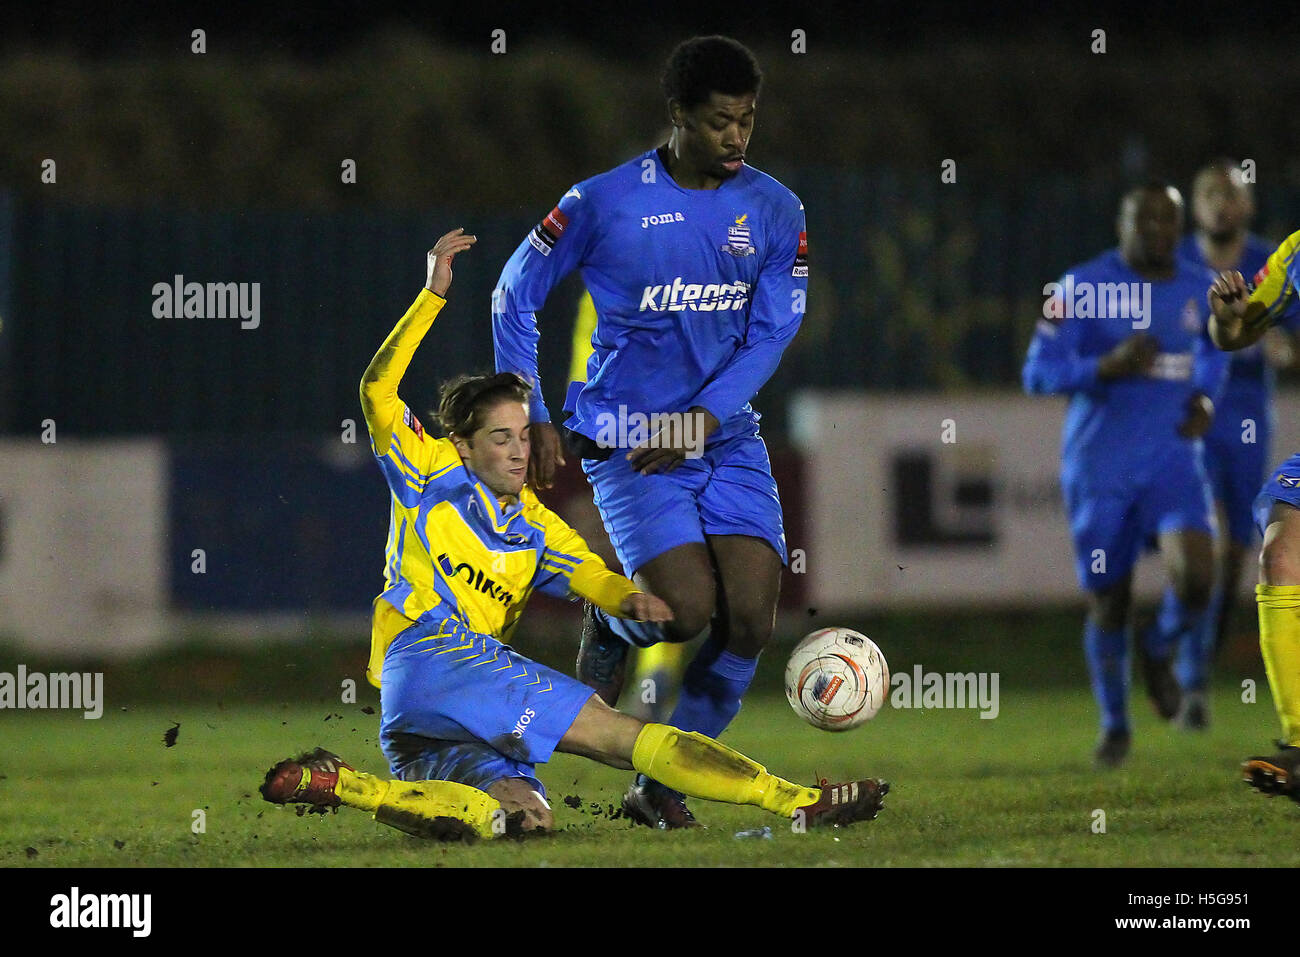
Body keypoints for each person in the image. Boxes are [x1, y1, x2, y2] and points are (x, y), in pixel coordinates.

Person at [259, 230, 888, 838]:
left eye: (525, 436)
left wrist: (629, 600)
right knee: (618, 737)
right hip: (436, 655)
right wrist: (432, 296)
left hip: (422, 714)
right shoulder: (425, 469)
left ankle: (351, 787)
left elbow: (591, 577)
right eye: (500, 438)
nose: (516, 451)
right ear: (462, 445)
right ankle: (800, 800)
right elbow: (376, 389)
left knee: (519, 819)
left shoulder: (538, 525)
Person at [492, 35, 807, 827]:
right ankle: (610, 615)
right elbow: (513, 294)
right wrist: (529, 410)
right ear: (676, 117)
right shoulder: (602, 202)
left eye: (747, 120)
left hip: (725, 437)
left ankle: (659, 785)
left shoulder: (775, 208)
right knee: (688, 610)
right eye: (718, 122)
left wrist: (706, 415)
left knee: (753, 617)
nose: (737, 137)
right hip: (629, 439)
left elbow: (770, 334)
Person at [1023, 183, 1228, 767]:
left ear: (1180, 225)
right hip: (1100, 470)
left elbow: (1214, 354)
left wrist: (1208, 400)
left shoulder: (1198, 288)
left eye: (1168, 220)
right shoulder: (1079, 287)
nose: (1156, 230)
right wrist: (1104, 366)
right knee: (1109, 603)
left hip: (1173, 462)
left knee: (1197, 578)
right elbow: (1037, 371)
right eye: (1143, 219)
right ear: (1121, 223)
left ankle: (1159, 648)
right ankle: (1115, 727)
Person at [1178, 161, 1291, 717]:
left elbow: (1287, 341)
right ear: (1194, 207)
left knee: (1235, 552)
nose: (1222, 203)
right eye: (1209, 194)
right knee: (1206, 542)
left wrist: (1281, 349)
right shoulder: (1174, 266)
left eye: (1232, 193)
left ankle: (1196, 659)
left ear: (1248, 203)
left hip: (1248, 415)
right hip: (1193, 415)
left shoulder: (1271, 260)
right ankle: (1189, 667)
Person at [1205, 228, 1300, 799]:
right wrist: (1228, 315)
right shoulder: (1294, 254)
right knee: (1279, 553)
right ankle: (1298, 749)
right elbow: (1235, 333)